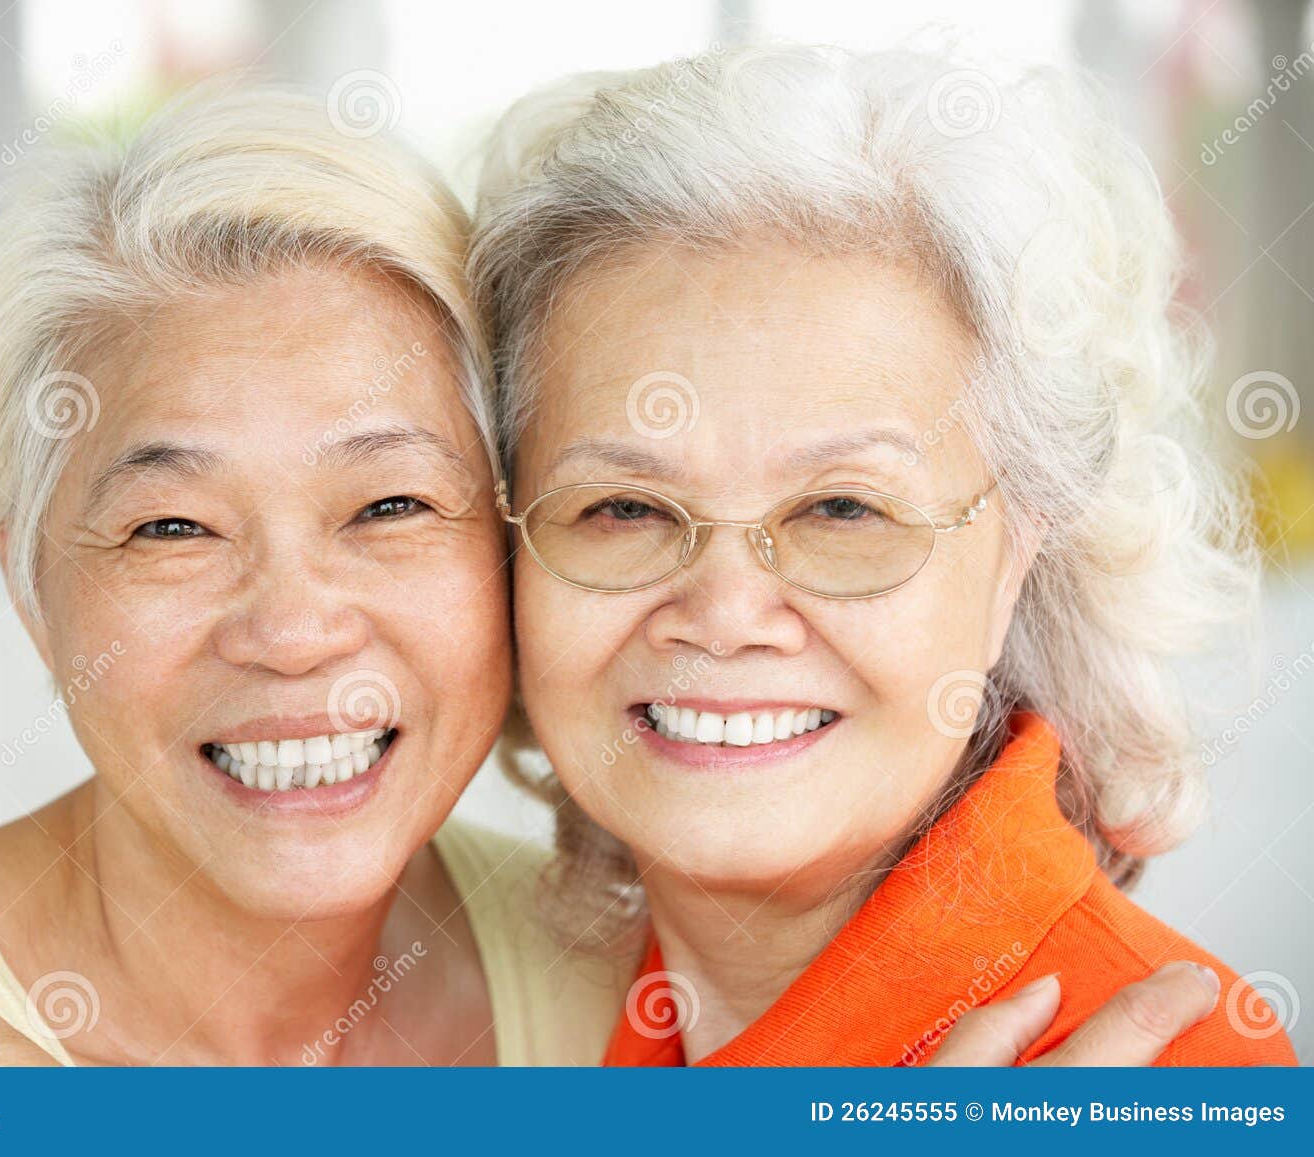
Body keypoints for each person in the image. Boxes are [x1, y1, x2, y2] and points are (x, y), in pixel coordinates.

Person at [0, 71, 1226, 1070]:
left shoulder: (609, 962)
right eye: (172, 526)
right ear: (27, 580)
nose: (294, 627)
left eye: (388, 503)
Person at [470, 42, 1298, 1065]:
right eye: (626, 506)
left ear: (1015, 556)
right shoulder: (532, 1021)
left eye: (843, 509)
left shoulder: (1169, 1071)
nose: (724, 613)